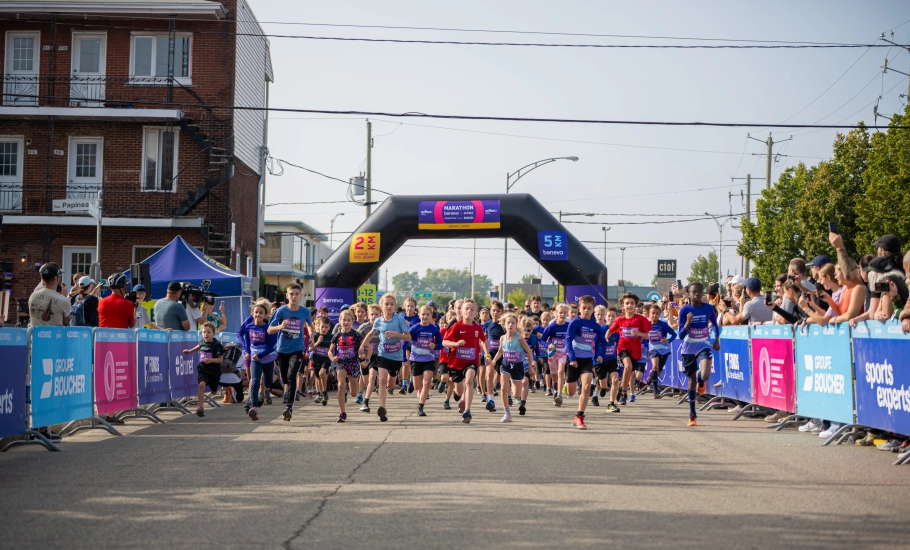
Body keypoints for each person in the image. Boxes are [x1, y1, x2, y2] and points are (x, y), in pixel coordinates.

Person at [358, 294, 412, 422]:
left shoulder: (399, 320)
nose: (389, 306)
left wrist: (396, 334)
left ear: (395, 306)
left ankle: (390, 387)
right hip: (383, 354)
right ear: (381, 306)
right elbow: (371, 334)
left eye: (391, 304)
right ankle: (382, 408)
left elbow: (408, 338)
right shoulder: (378, 321)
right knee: (381, 380)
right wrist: (362, 346)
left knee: (390, 383)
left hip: (397, 356)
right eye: (386, 304)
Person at [677, 282, 721, 427]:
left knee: (706, 374)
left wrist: (716, 339)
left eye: (700, 291)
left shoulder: (708, 308)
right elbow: (681, 335)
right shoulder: (684, 310)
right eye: (694, 292)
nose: (697, 294)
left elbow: (714, 323)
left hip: (704, 345)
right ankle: (692, 414)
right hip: (689, 347)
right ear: (688, 294)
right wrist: (687, 323)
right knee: (691, 382)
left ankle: (701, 378)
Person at [269, 283, 314, 421]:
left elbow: (310, 325)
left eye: (296, 294)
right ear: (287, 295)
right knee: (284, 377)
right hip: (282, 349)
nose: (294, 296)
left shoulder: (305, 311)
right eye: (291, 294)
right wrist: (281, 326)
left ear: (300, 295)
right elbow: (269, 330)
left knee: (292, 374)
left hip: (298, 348)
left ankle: (289, 406)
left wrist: (311, 337)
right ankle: (288, 396)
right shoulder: (281, 312)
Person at [564, 295, 607, 429]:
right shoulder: (575, 323)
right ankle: (567, 385)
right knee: (570, 393)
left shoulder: (595, 325)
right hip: (574, 360)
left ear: (593, 309)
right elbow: (568, 341)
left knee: (587, 386)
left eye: (589, 308)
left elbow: (603, 342)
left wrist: (600, 354)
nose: (586, 311)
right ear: (579, 309)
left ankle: (579, 417)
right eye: (584, 308)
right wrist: (571, 358)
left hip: (587, 360)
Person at [441, 299, 486, 424]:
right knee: (460, 391)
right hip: (456, 363)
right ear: (461, 311)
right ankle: (457, 394)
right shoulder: (457, 326)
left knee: (470, 379)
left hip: (472, 361)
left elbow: (483, 340)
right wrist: (455, 343)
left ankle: (467, 411)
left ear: (476, 313)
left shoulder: (478, 328)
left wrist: (487, 354)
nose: (469, 311)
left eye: (472, 309)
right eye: (467, 309)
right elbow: (444, 342)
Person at [606, 293, 651, 407]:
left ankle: (622, 387)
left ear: (636, 305)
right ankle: (624, 393)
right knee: (628, 366)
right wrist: (606, 337)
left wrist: (638, 333)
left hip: (636, 351)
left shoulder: (641, 319)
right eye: (627, 303)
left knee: (629, 371)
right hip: (623, 347)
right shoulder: (620, 319)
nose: (629, 306)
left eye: (632, 303)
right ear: (623, 305)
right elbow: (611, 330)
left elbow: (647, 336)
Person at [489, 312, 534, 423]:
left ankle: (516, 398)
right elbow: (500, 351)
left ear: (516, 324)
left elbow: (529, 351)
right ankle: (507, 413)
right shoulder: (502, 338)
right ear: (504, 324)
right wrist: (494, 360)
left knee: (516, 394)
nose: (510, 325)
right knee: (504, 387)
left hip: (518, 366)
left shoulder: (520, 339)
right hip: (506, 365)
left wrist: (530, 367)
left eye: (513, 323)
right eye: (508, 323)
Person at [238, 302, 278, 421]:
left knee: (268, 382)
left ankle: (266, 389)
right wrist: (247, 352)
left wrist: (260, 354)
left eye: (261, 313)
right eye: (256, 312)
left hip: (267, 357)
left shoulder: (268, 329)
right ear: (252, 314)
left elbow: (272, 346)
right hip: (255, 358)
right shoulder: (249, 326)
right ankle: (254, 408)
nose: (258, 314)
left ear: (266, 315)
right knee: (255, 381)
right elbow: (247, 341)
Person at [328, 309, 364, 423]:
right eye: (344, 320)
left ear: (352, 321)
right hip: (341, 363)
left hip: (353, 363)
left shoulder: (356, 335)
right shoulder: (337, 335)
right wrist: (332, 358)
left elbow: (365, 346)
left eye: (349, 320)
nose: (346, 322)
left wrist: (363, 356)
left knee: (354, 393)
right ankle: (342, 413)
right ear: (340, 320)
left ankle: (348, 390)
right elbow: (330, 351)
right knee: (340, 386)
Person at [182, 322, 224, 417]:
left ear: (214, 333)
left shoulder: (217, 345)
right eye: (204, 332)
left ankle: (213, 387)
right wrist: (189, 351)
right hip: (203, 369)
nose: (206, 334)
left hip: (214, 371)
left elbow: (221, 359)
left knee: (213, 391)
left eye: (208, 332)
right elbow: (199, 346)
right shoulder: (202, 342)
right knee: (201, 385)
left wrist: (211, 360)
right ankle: (201, 407)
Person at [408, 305, 443, 416]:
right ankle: (414, 385)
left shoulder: (434, 329)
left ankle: (421, 406)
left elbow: (441, 344)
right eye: (423, 314)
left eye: (428, 314)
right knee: (418, 386)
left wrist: (435, 346)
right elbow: (406, 341)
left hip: (429, 359)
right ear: (419, 315)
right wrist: (405, 357)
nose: (425, 316)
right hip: (416, 359)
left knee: (427, 381)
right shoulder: (414, 328)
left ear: (431, 315)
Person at [644, 304, 677, 397]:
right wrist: (646, 350)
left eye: (657, 313)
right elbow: (644, 338)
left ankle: (651, 377)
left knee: (658, 372)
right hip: (653, 349)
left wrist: (668, 341)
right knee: (655, 366)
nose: (655, 315)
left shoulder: (663, 325)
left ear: (660, 314)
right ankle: (655, 391)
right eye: (653, 313)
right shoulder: (647, 325)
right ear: (649, 314)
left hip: (664, 350)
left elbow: (674, 334)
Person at [542, 303, 570, 406]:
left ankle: (559, 394)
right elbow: (542, 339)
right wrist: (549, 345)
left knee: (561, 371)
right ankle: (555, 389)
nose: (562, 315)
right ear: (556, 314)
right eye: (560, 312)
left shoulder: (569, 326)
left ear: (567, 314)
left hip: (563, 353)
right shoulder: (551, 326)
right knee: (554, 375)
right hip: (553, 353)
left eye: (564, 313)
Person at [484, 300, 505, 410]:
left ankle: (508, 396)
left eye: (498, 311)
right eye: (493, 310)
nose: (495, 313)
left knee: (503, 377)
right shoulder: (487, 324)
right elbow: (484, 340)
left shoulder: (504, 324)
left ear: (502, 312)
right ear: (490, 311)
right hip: (491, 353)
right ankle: (490, 399)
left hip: (502, 353)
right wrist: (486, 353)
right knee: (489, 373)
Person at [309, 317, 333, 407]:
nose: (324, 329)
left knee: (322, 373)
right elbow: (310, 349)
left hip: (326, 359)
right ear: (318, 326)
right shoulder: (315, 336)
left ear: (329, 327)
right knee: (318, 378)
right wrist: (318, 342)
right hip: (316, 359)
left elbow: (335, 347)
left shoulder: (331, 337)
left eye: (326, 327)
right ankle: (322, 394)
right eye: (322, 327)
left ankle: (324, 392)